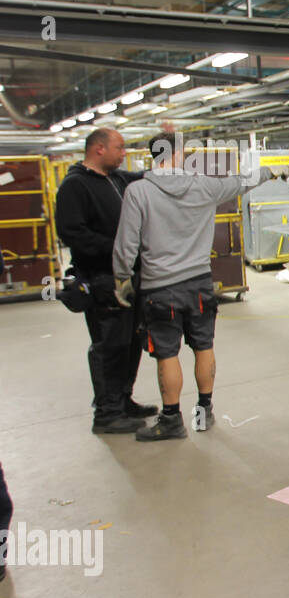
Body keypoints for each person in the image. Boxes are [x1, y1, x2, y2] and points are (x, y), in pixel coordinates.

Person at [111, 132, 272, 441]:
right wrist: (269, 171)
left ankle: (171, 420)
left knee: (167, 353)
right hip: (199, 284)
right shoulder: (204, 186)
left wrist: (121, 279)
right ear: (178, 154)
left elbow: (126, 245)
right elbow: (242, 181)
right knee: (204, 346)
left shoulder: (138, 192)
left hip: (160, 288)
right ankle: (204, 412)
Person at [53, 128, 158, 433]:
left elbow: (148, 176)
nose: (124, 153)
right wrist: (118, 248)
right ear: (99, 149)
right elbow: (72, 233)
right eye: (120, 147)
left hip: (128, 276)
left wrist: (167, 150)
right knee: (108, 343)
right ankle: (106, 413)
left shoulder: (117, 179)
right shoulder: (75, 185)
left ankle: (123, 400)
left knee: (131, 340)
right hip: (101, 279)